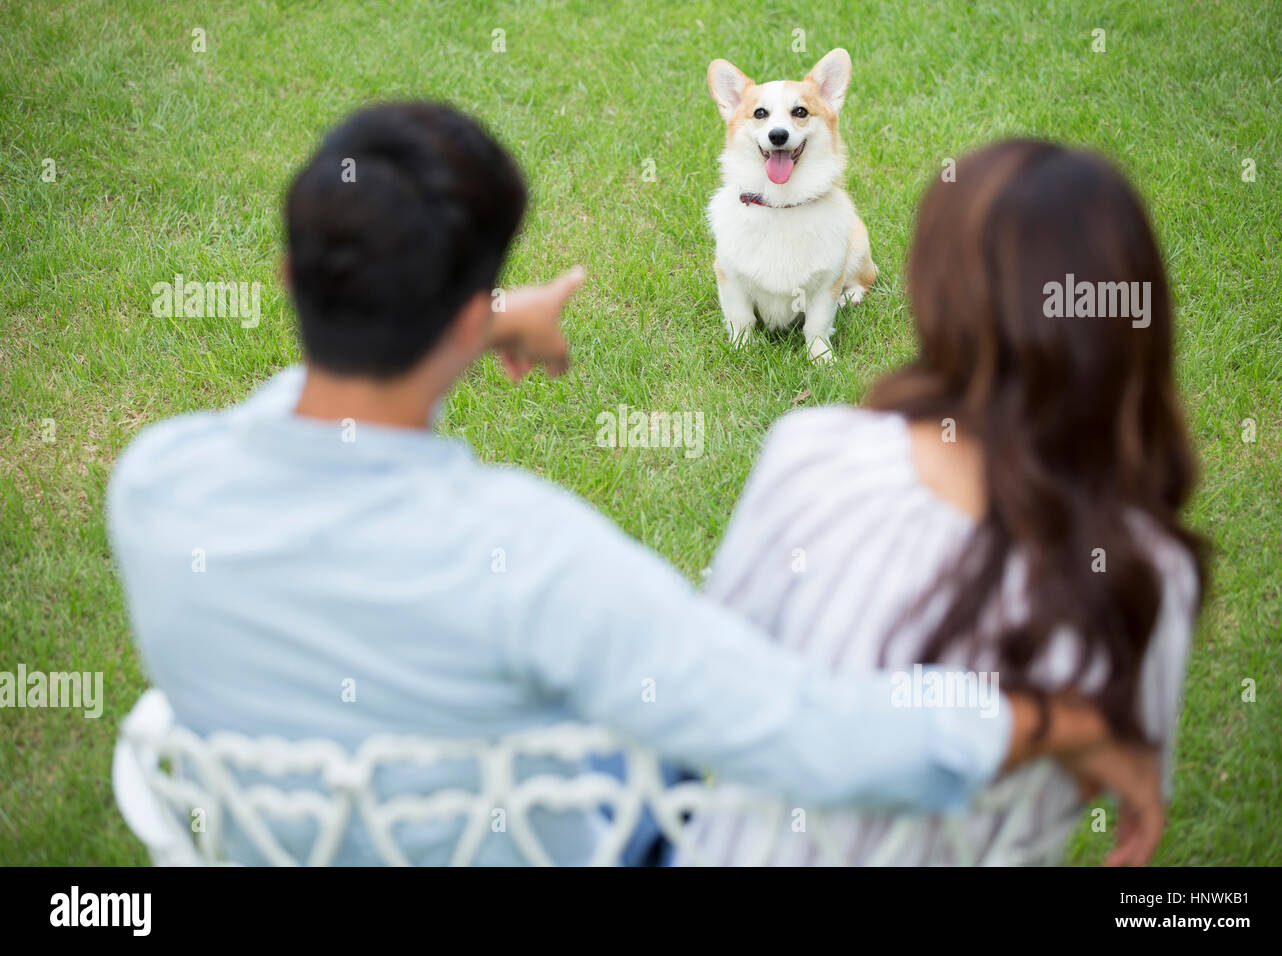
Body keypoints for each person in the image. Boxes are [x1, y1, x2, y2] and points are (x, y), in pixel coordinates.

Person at [107, 106, 1163, 866]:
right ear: (473, 311)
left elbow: (279, 415)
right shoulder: (532, 555)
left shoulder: (153, 486)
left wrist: (464, 326)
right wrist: (1053, 719)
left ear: (288, 280)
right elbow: (802, 726)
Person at [686, 139, 1205, 866]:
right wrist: (1057, 726)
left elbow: (715, 689)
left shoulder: (817, 456)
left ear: (934, 294)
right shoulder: (1156, 573)